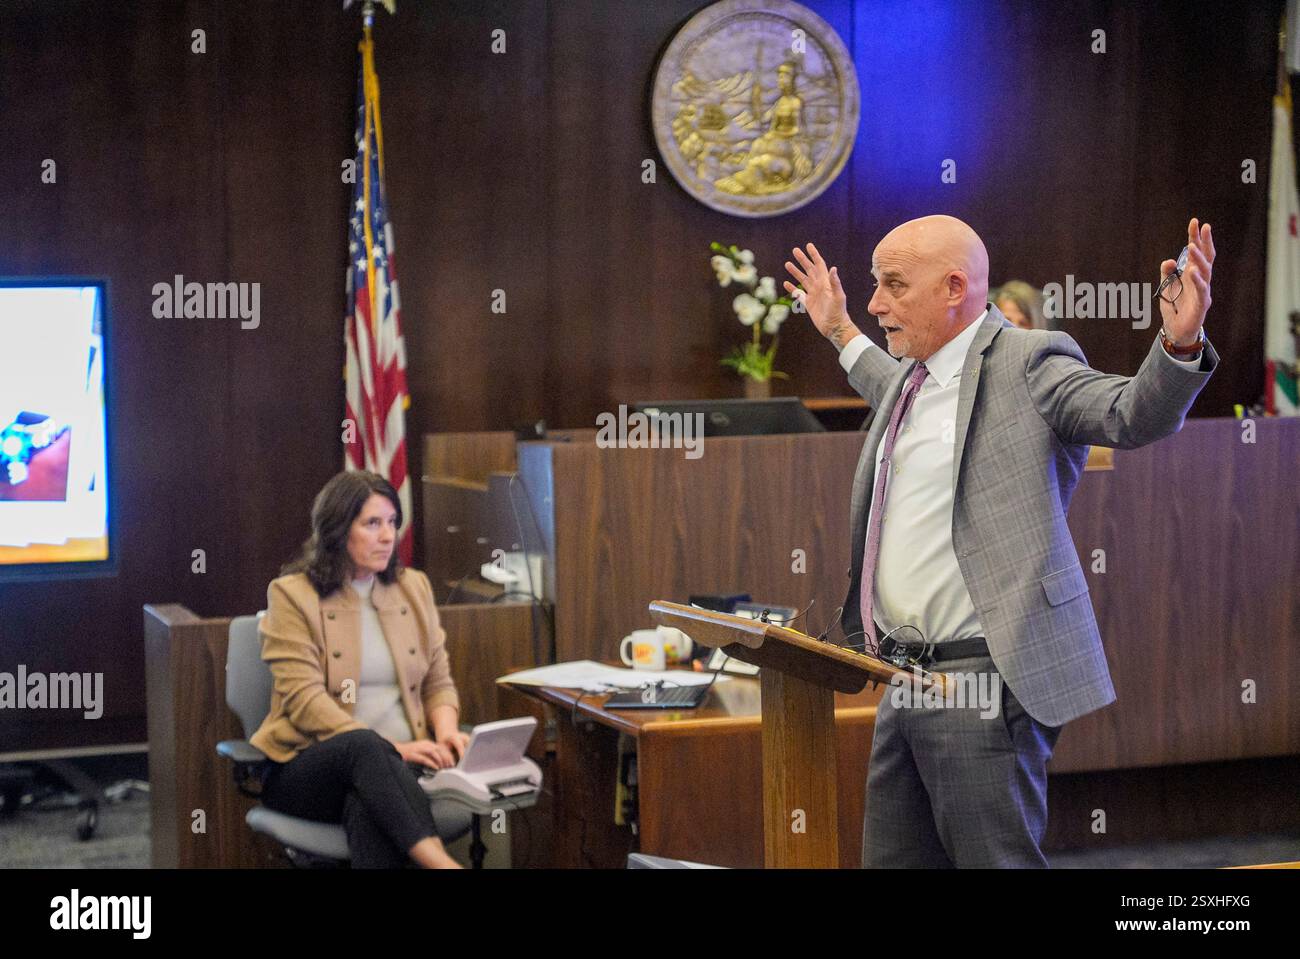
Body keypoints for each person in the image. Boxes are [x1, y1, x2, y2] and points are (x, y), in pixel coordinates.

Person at [783, 215, 1216, 867]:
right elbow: (880, 378)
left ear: (954, 287)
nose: (876, 303)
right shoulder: (914, 377)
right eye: (874, 286)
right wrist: (838, 328)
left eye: (893, 285)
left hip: (986, 677)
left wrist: (1178, 345)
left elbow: (1131, 414)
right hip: (904, 675)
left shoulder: (1030, 360)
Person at [249, 469, 470, 868]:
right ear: (336, 530)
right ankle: (443, 864)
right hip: (306, 768)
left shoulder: (413, 587)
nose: (388, 536)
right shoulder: (292, 595)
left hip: (401, 774)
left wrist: (449, 732)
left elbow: (437, 679)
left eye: (392, 523)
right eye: (372, 524)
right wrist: (394, 750)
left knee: (369, 806)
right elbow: (305, 702)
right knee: (366, 747)